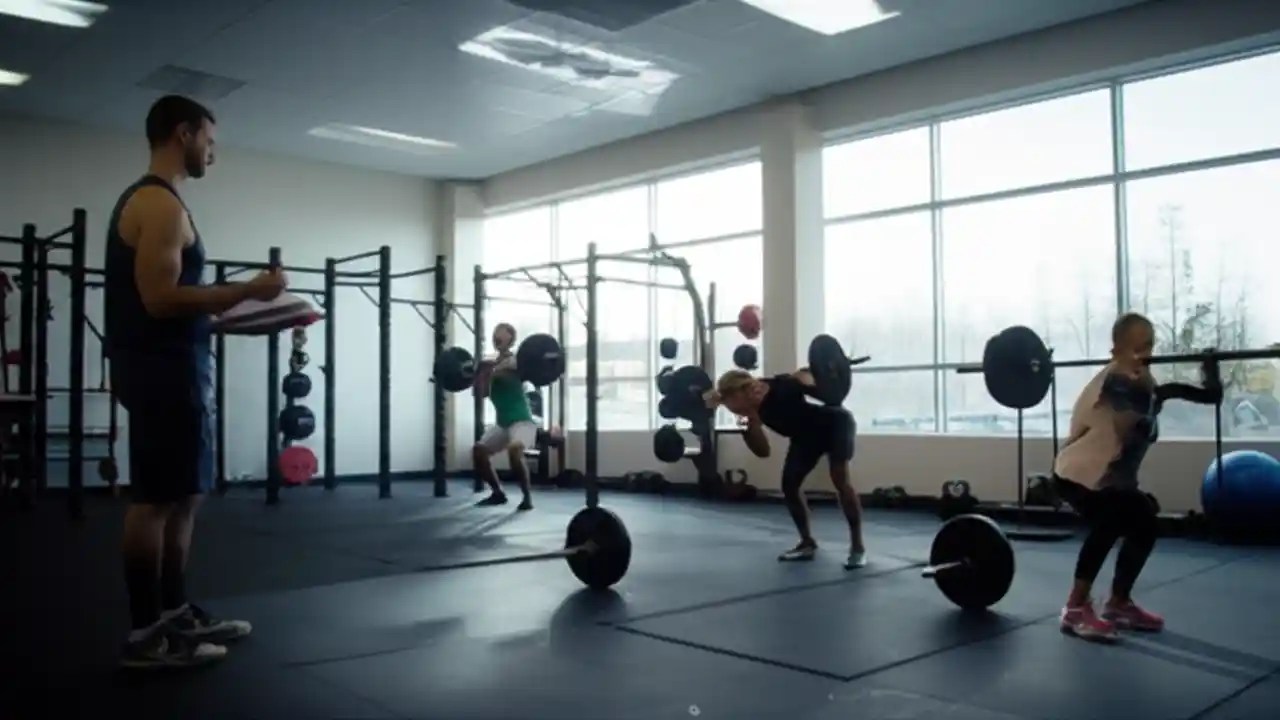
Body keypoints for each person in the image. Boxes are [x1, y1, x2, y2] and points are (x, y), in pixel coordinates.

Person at [105, 95, 288, 670]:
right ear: (183, 134)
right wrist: (247, 291)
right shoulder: (157, 204)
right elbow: (158, 299)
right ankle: (146, 637)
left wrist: (234, 320)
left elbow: (175, 303)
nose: (213, 151)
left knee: (184, 494)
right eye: (209, 139)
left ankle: (173, 612)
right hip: (162, 373)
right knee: (156, 500)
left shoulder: (165, 203)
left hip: (178, 365)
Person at [1053, 312, 1221, 642]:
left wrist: (1210, 370)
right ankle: (1074, 609)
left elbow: (1205, 397)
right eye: (1135, 348)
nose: (1144, 355)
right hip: (1077, 477)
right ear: (1115, 351)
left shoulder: (1144, 384)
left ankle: (1118, 603)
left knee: (1144, 521)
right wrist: (1178, 389)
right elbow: (1145, 402)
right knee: (1113, 516)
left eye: (1149, 346)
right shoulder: (1117, 381)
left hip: (1109, 481)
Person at [706, 368, 867, 569]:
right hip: (804, 437)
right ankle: (807, 543)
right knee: (789, 486)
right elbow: (763, 451)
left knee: (840, 480)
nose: (736, 411)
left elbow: (810, 376)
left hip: (835, 424)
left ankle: (857, 547)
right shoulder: (743, 409)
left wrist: (811, 377)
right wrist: (749, 424)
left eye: (736, 405)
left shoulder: (782, 385)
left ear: (744, 390)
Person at [473, 323, 538, 511]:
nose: (497, 338)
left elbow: (518, 372)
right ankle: (497, 493)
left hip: (523, 422)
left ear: (511, 340)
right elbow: (481, 393)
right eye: (495, 335)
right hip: (502, 423)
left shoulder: (516, 362)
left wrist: (492, 369)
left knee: (514, 450)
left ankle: (527, 497)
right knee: (478, 451)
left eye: (502, 335)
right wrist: (483, 374)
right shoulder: (491, 366)